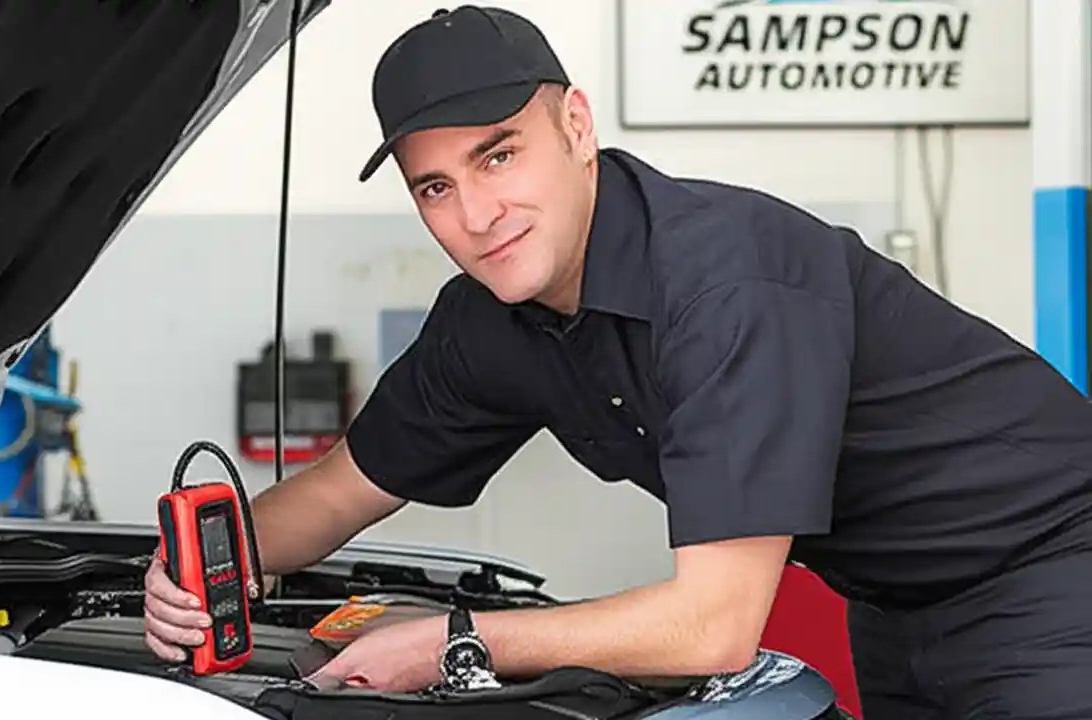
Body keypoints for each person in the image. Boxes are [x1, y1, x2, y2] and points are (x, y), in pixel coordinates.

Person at [145, 5, 1092, 717]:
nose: (476, 215)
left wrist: (455, 643)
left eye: (499, 155)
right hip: (892, 609)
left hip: (1055, 572)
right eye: (435, 186)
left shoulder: (725, 282)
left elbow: (713, 628)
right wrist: (201, 571)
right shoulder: (487, 320)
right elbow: (341, 490)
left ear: (577, 126)